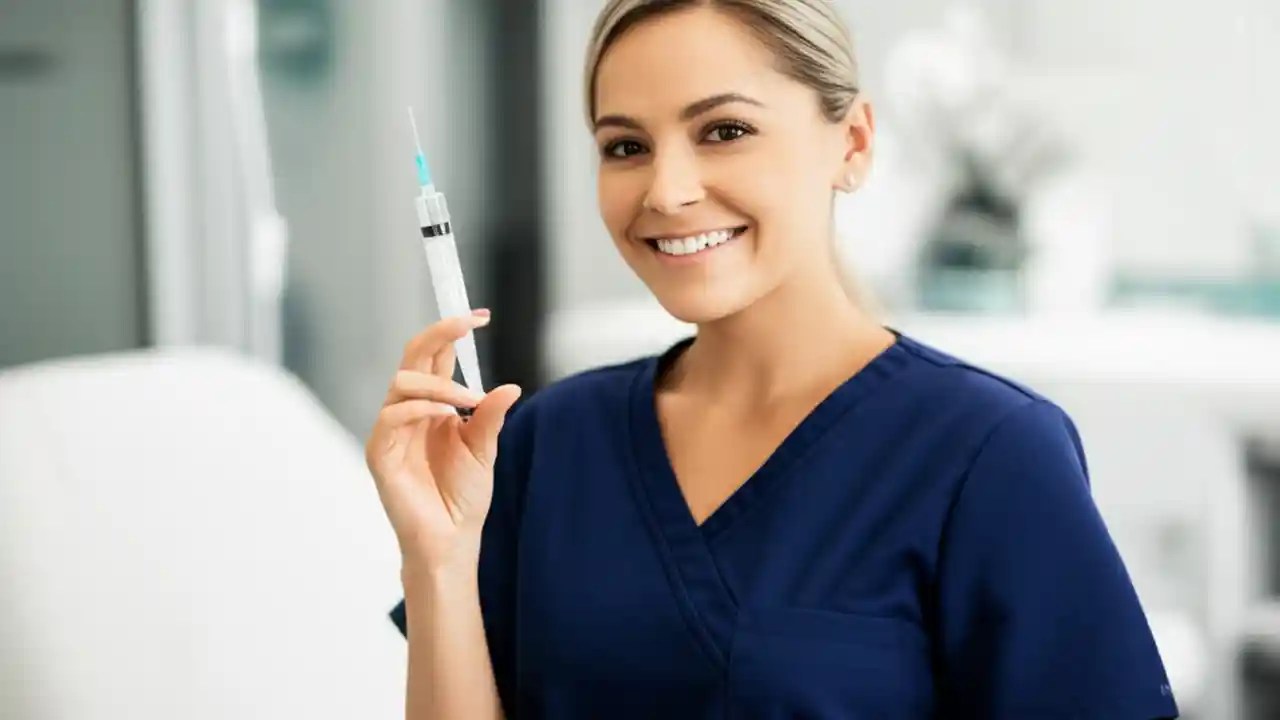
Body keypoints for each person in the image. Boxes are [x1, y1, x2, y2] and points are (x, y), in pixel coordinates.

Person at [367, 1, 1179, 717]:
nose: (667, 191)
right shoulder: (543, 444)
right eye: (625, 147)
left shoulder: (989, 453)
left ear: (853, 143)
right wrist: (437, 556)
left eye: (725, 131)